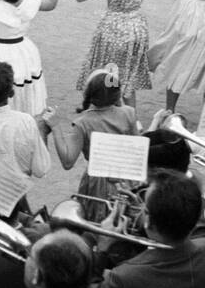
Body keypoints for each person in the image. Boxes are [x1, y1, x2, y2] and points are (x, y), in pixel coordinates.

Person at [61, 0, 172, 107]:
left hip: (113, 28)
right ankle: (130, 117)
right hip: (136, 28)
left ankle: (102, 111)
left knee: (106, 73)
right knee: (127, 76)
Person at [39, 65, 138, 224]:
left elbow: (67, 161)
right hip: (126, 180)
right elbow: (136, 149)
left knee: (95, 224)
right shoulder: (128, 113)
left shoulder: (82, 123)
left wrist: (56, 127)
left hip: (97, 185)